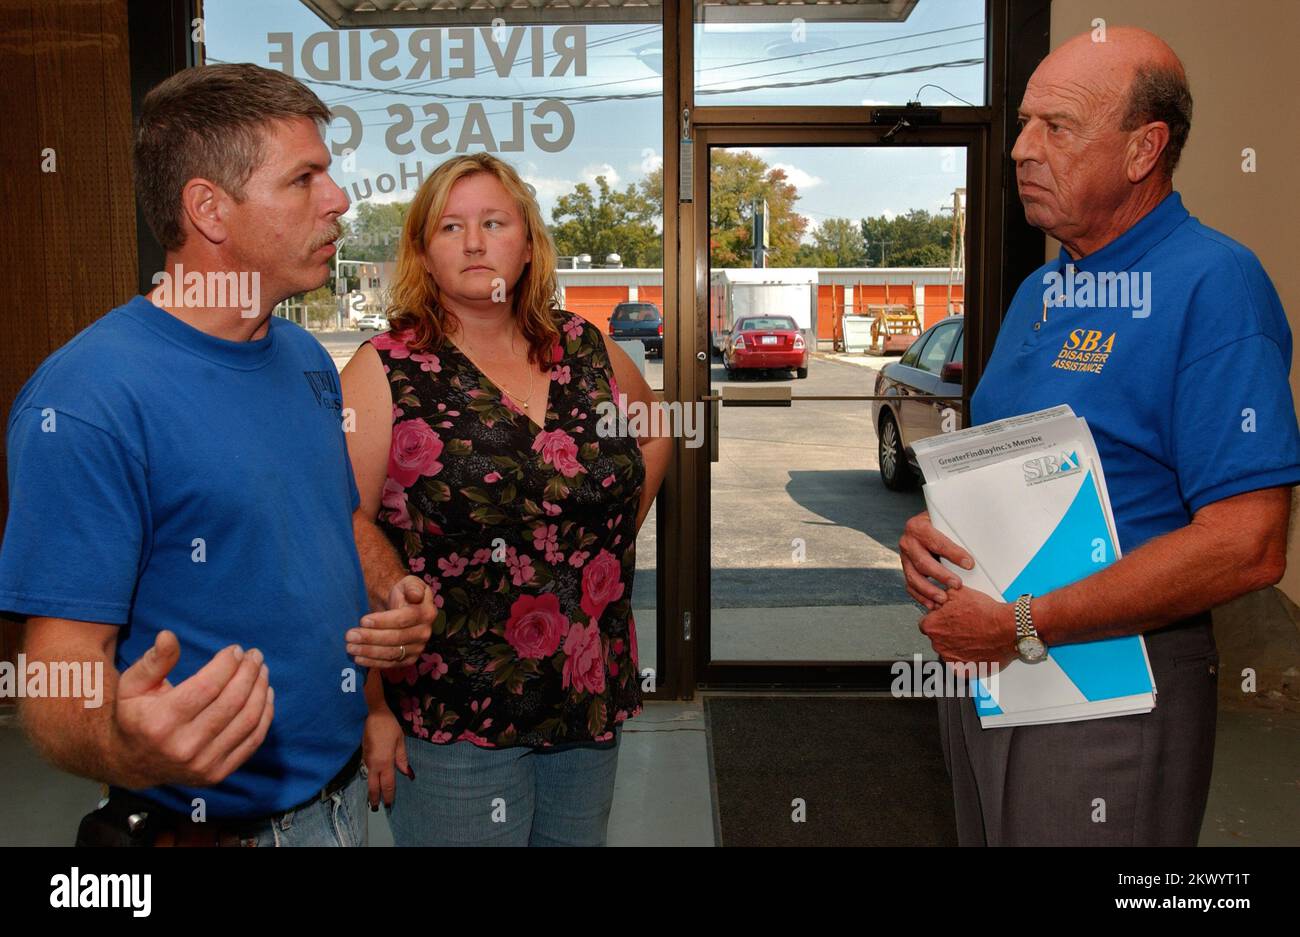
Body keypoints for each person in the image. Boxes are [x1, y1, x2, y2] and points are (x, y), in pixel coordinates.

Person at [0, 63, 434, 846]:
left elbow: (335, 515)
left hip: (342, 810)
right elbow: (53, 673)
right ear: (209, 208)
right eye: (305, 178)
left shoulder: (302, 356)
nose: (338, 199)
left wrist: (393, 588)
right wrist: (122, 744)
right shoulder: (87, 402)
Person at [898, 27, 1300, 846]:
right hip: (989, 672)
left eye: (1057, 127)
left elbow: (1248, 543)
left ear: (1145, 149)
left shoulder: (1216, 284)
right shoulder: (1039, 293)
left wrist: (1020, 624)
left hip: (1112, 687)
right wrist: (935, 536)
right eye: (1022, 124)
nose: (1020, 149)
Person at [342, 152, 671, 846]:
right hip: (452, 714)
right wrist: (370, 707)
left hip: (585, 697)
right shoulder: (385, 369)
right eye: (449, 226)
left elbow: (658, 429)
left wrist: (608, 541)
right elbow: (343, 531)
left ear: (527, 245)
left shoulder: (584, 348)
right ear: (423, 254)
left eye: (493, 222)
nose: (472, 241)